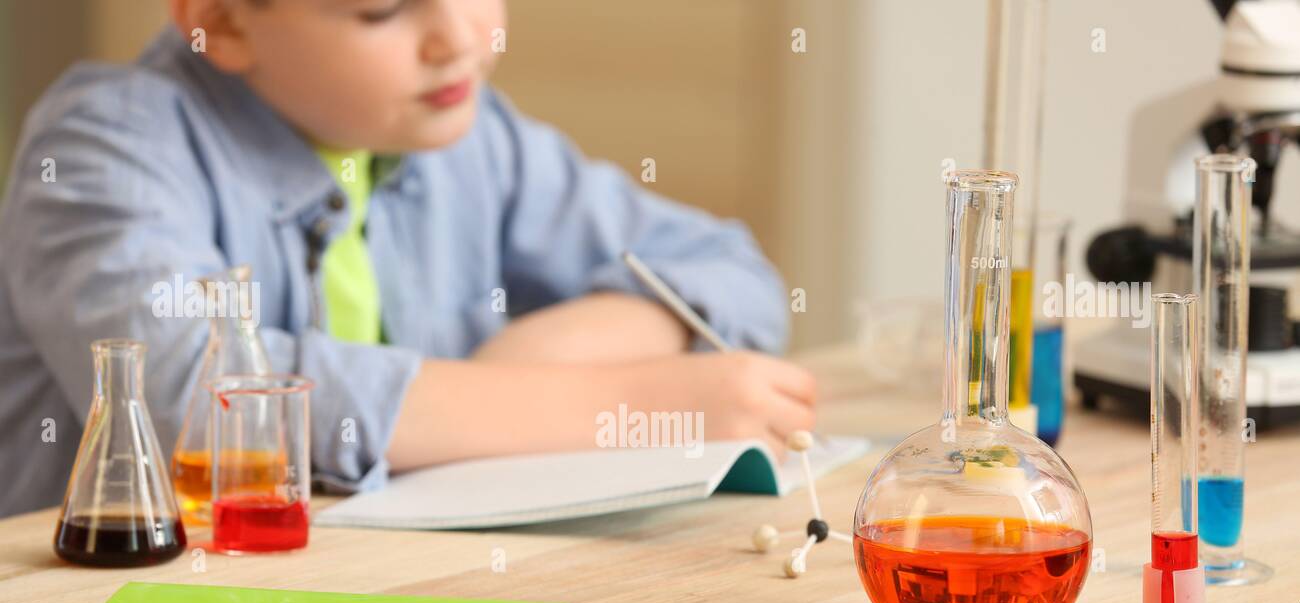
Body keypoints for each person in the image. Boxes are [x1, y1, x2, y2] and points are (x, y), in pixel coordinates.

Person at [0, 0, 817, 518]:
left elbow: (731, 268)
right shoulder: (105, 143)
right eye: (383, 10)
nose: (461, 36)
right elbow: (191, 402)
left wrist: (545, 357)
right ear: (227, 20)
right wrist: (620, 405)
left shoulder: (472, 136)